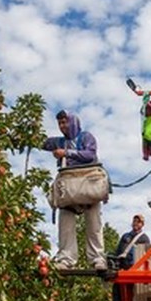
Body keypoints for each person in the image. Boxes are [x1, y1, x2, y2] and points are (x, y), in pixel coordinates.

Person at [41, 110, 106, 270]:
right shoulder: (59, 141)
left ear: (73, 122)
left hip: (87, 183)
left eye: (65, 122)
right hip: (69, 186)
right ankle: (66, 258)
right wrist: (32, 134)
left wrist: (67, 153)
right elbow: (42, 143)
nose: (63, 126)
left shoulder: (86, 137)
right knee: (66, 224)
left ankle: (97, 258)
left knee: (93, 223)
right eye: (60, 123)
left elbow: (90, 154)